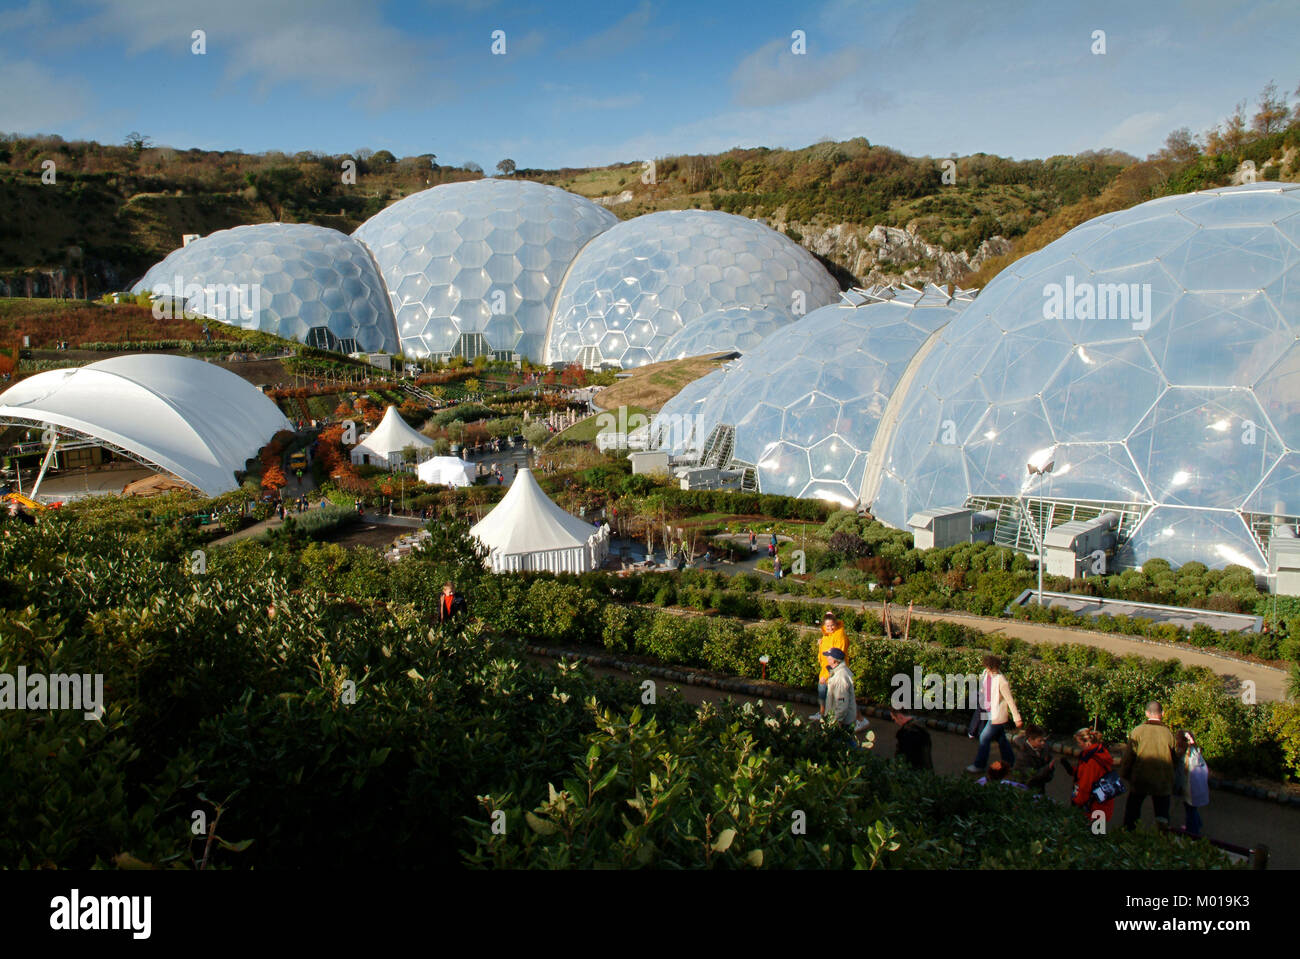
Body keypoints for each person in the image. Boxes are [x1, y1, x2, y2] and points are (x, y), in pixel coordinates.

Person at [1119, 701, 1177, 831]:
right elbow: (1175, 758)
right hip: (1162, 780)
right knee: (1162, 814)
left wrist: (1125, 774)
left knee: (1132, 811)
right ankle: (1161, 838)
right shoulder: (1168, 733)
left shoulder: (1138, 731)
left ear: (1146, 713)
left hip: (1140, 778)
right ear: (1162, 713)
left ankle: (1129, 835)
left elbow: (1129, 757)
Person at [966, 655, 1023, 773]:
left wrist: (1017, 718)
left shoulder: (1002, 681)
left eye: (990, 668)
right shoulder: (985, 674)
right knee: (1001, 739)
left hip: (997, 715)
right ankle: (1010, 762)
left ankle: (979, 765)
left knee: (984, 737)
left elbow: (1009, 700)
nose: (987, 670)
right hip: (988, 711)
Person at [1062, 728, 1116, 824]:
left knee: (1089, 834)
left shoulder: (1091, 761)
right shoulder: (1100, 752)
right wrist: (1073, 770)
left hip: (1093, 807)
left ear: (1087, 742)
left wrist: (1076, 802)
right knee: (1098, 832)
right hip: (1102, 804)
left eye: (1079, 743)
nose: (1078, 745)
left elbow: (1085, 785)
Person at [1173, 730, 1210, 838]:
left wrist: (1176, 788)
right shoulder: (1195, 752)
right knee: (1192, 808)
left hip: (1189, 788)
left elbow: (1180, 775)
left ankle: (1192, 832)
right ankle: (1197, 824)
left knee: (1190, 810)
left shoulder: (1184, 758)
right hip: (1197, 788)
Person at [815, 611, 849, 718]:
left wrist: (827, 675)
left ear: (836, 624)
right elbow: (826, 650)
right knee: (823, 691)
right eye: (827, 625)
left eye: (832, 625)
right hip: (826, 669)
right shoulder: (827, 635)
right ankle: (822, 713)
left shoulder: (839, 636)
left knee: (838, 696)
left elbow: (838, 657)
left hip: (835, 670)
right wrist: (821, 643)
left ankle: (856, 719)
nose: (830, 627)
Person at [1013, 724, 1057, 795]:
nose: (1043, 743)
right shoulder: (1022, 755)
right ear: (1030, 740)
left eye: (1044, 740)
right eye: (1040, 741)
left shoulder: (1044, 749)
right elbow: (1032, 775)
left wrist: (1049, 772)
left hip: (1039, 787)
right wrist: (1047, 768)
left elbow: (1049, 768)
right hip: (1025, 789)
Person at [822, 647, 857, 734]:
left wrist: (836, 721)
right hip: (841, 719)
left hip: (841, 722)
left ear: (834, 661)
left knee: (844, 743)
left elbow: (842, 702)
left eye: (828, 657)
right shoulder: (838, 673)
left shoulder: (840, 677)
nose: (826, 658)